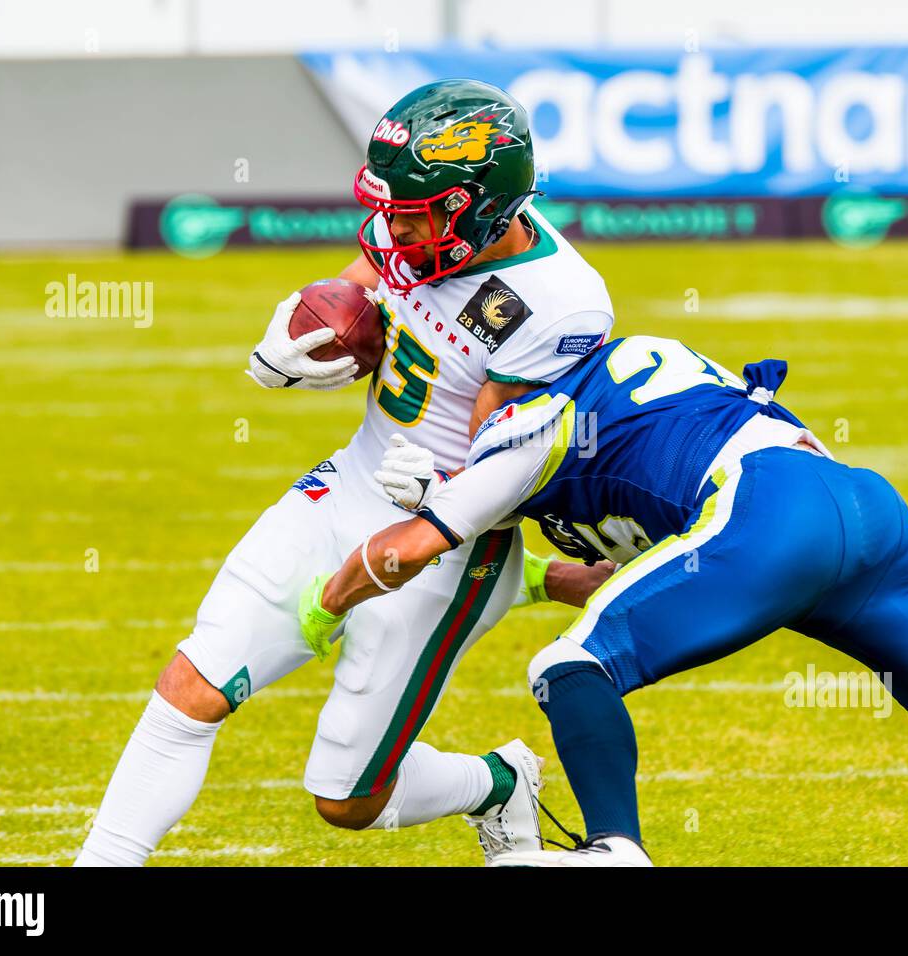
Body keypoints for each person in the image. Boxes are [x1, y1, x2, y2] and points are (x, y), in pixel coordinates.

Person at [300, 334, 908, 867]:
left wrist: (432, 492)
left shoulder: (524, 411)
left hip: (765, 512)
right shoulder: (606, 379)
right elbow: (615, 566)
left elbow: (485, 490)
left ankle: (616, 847)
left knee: (571, 665)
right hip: (857, 510)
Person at [75, 79, 615, 867]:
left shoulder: (558, 303)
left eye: (413, 213)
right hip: (347, 483)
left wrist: (438, 498)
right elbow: (354, 294)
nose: (391, 229)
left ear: (481, 208)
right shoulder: (416, 230)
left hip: (442, 544)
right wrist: (293, 341)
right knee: (192, 685)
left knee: (347, 799)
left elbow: (502, 465)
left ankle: (499, 782)